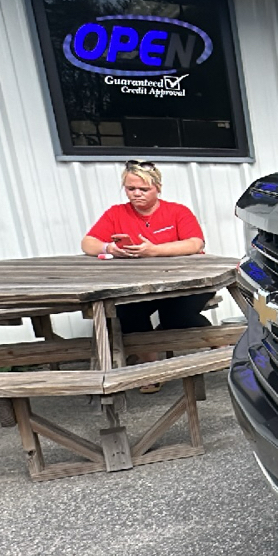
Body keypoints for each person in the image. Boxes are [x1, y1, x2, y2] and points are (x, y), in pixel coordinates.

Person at [80, 161, 212, 391]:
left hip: (189, 281)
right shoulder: (116, 213)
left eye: (144, 189)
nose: (137, 194)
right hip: (140, 285)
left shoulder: (177, 211)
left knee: (176, 317)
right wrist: (109, 249)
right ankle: (151, 368)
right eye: (131, 189)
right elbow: (87, 243)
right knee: (127, 311)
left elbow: (195, 242)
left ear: (158, 188)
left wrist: (154, 250)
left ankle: (219, 345)